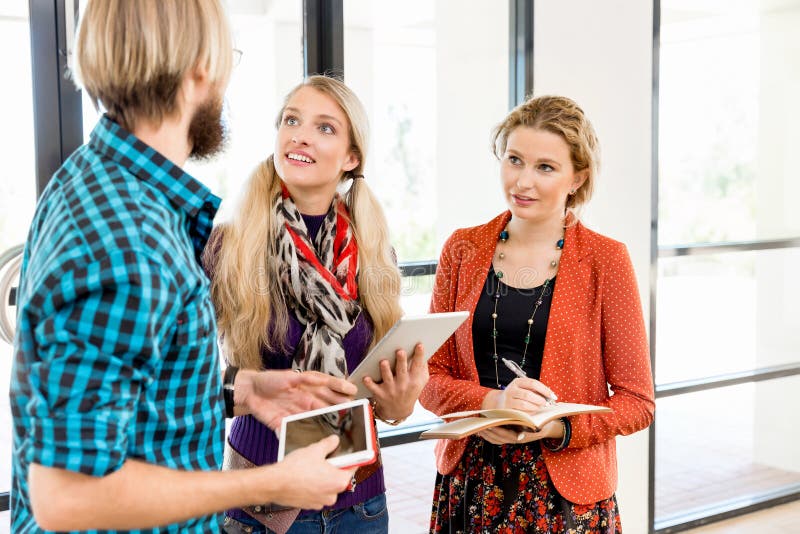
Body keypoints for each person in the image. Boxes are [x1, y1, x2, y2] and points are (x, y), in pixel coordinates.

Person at [9, 2, 359, 532]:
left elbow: (136, 390)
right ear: (200, 68)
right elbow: (67, 496)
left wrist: (243, 390)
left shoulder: (102, 185)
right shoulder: (129, 233)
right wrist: (270, 482)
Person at [203, 74, 429, 534]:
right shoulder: (230, 247)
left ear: (352, 157)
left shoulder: (373, 252)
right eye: (291, 120)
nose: (300, 135)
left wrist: (399, 403)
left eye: (324, 127)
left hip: (360, 503)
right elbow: (178, 371)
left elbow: (377, 387)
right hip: (262, 508)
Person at [418, 95, 655, 532]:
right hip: (472, 483)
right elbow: (428, 377)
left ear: (577, 177)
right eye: (514, 160)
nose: (522, 181)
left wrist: (557, 429)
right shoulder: (462, 249)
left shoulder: (607, 260)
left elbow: (637, 402)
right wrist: (490, 403)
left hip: (567, 496)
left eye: (545, 167)